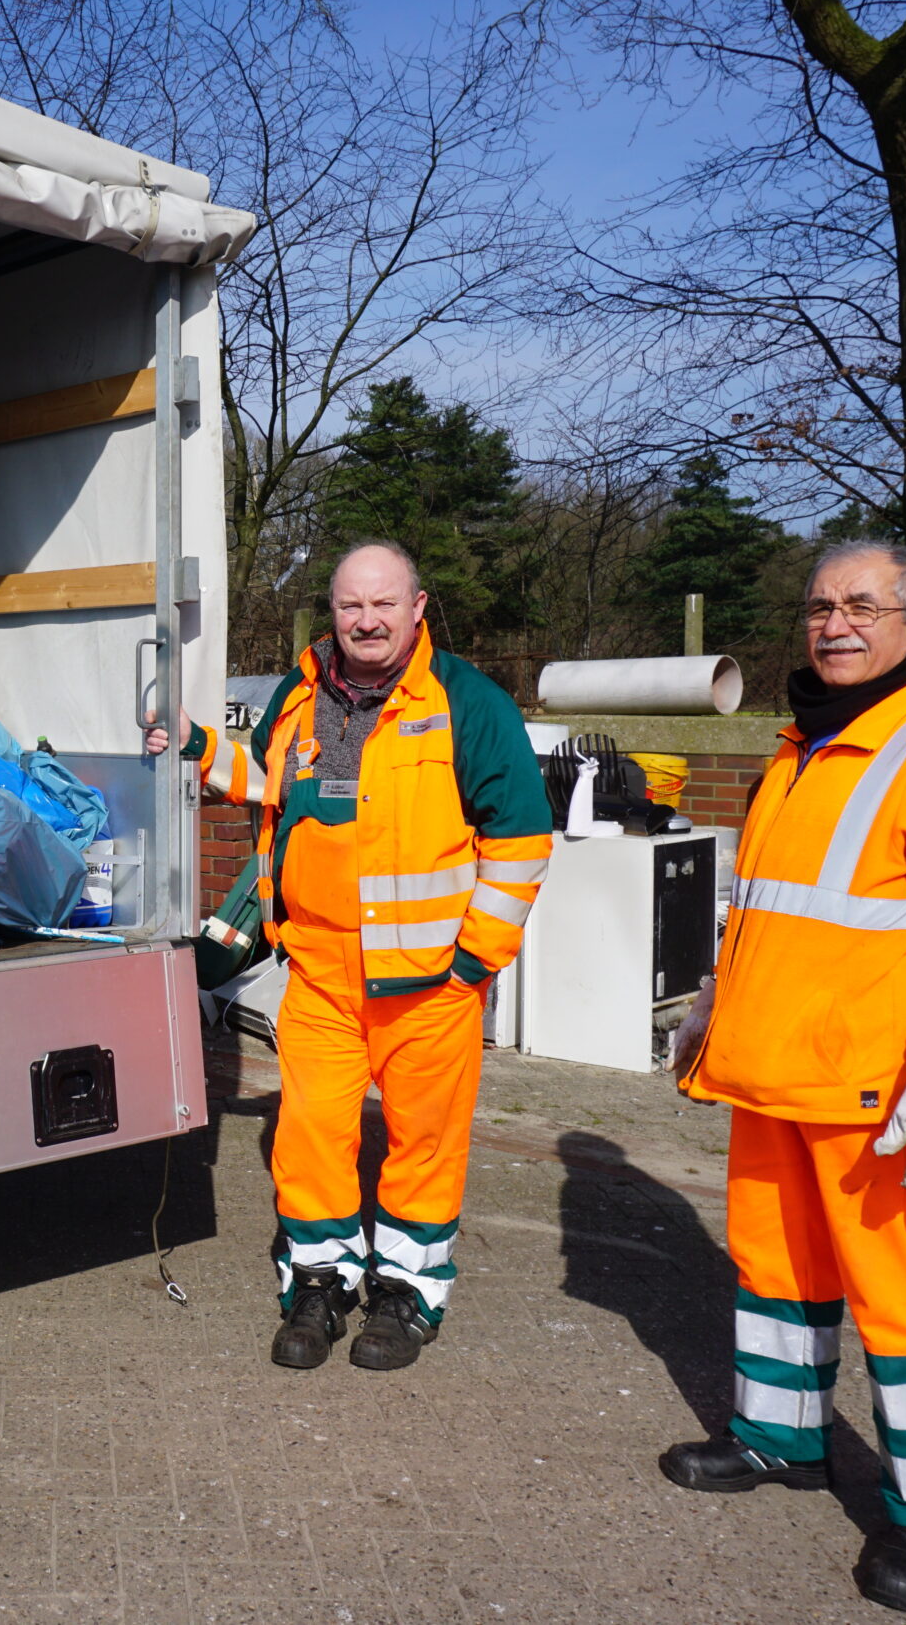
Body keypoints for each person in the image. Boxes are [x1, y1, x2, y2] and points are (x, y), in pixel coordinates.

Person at [664, 540, 906, 1613]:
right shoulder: (802, 744)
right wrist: (711, 1003)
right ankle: (778, 1439)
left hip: (870, 1091)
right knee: (772, 1274)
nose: (836, 623)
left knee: (899, 1301)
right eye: (822, 604)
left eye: (864, 607)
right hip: (770, 1076)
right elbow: (772, 916)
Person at [146, 540, 552, 1369]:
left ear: (419, 606)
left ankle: (406, 1297)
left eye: (384, 604)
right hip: (322, 977)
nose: (366, 620)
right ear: (330, 611)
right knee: (312, 1135)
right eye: (348, 605)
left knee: (423, 1147)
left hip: (431, 988)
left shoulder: (470, 703)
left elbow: (521, 841)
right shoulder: (299, 691)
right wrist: (192, 742)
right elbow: (266, 779)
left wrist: (474, 962)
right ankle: (319, 1285)